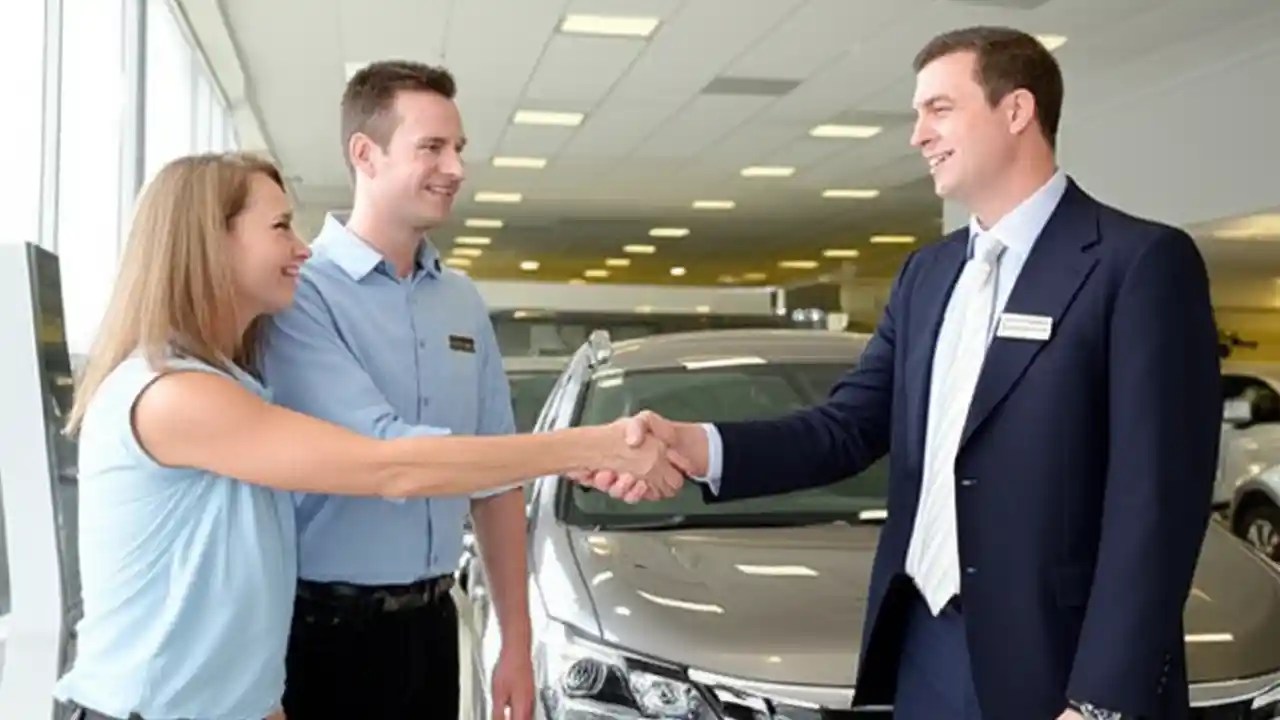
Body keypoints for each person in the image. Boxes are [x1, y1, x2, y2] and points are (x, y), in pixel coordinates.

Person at [593, 25, 1221, 720]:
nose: (918, 135)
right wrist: (697, 444)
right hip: (925, 646)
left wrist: (1103, 701)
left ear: (1016, 111)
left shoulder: (1137, 265)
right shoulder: (928, 275)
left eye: (939, 109)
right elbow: (846, 428)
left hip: (1057, 663)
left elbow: (1157, 504)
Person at [52, 152, 678, 720]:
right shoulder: (173, 396)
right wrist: (587, 446)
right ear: (209, 243)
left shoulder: (231, 386)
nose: (302, 248)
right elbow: (392, 468)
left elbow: (235, 593)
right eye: (280, 227)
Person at [254, 60, 548, 720]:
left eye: (459, 149)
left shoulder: (462, 301)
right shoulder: (301, 295)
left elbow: (497, 480)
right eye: (432, 148)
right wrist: (581, 449)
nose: (456, 168)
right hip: (320, 634)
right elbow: (388, 455)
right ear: (366, 153)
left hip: (433, 626)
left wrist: (516, 644)